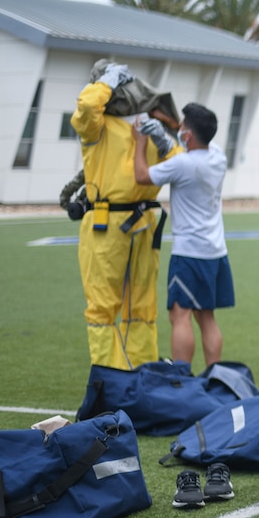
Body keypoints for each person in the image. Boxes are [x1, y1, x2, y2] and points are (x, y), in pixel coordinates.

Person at [70, 60, 180, 369]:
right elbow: (89, 104)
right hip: (110, 224)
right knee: (104, 309)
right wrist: (109, 80)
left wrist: (162, 139)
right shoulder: (97, 125)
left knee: (141, 308)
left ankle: (141, 375)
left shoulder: (146, 126)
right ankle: (111, 377)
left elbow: (181, 161)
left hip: (139, 225)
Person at [132, 103, 233, 369]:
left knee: (180, 315)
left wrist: (140, 141)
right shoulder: (218, 157)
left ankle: (182, 380)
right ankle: (215, 377)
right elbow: (195, 137)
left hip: (188, 253)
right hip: (215, 251)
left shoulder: (182, 164)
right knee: (206, 318)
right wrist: (171, 124)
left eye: (184, 128)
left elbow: (142, 176)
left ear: (187, 135)